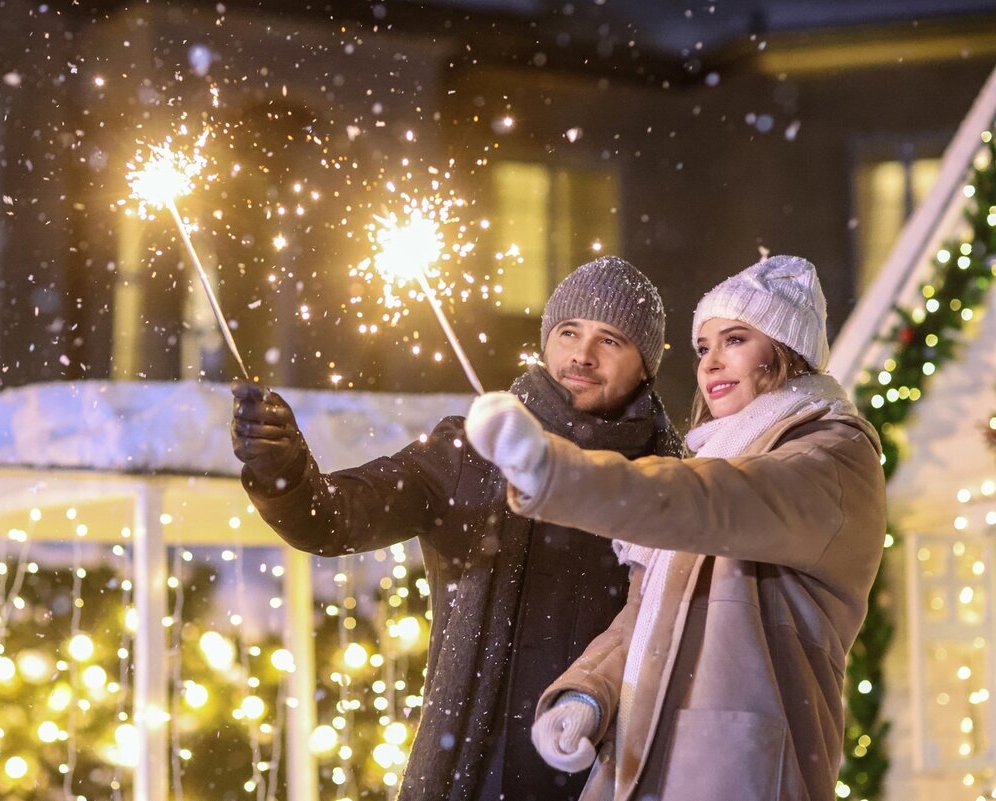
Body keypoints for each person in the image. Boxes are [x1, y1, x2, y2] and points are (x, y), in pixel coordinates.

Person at [230, 256, 684, 801]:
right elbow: (333, 520)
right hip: (473, 769)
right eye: (569, 332)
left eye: (610, 340)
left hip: (618, 770)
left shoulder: (677, 483)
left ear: (646, 366)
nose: (582, 355)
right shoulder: (467, 451)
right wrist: (281, 469)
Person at [464, 255, 886, 801]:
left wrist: (551, 469)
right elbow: (647, 617)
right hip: (648, 761)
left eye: (734, 339)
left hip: (741, 776)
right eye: (703, 347)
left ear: (787, 351)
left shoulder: (831, 457)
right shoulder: (714, 457)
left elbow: (709, 501)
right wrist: (589, 693)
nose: (710, 363)